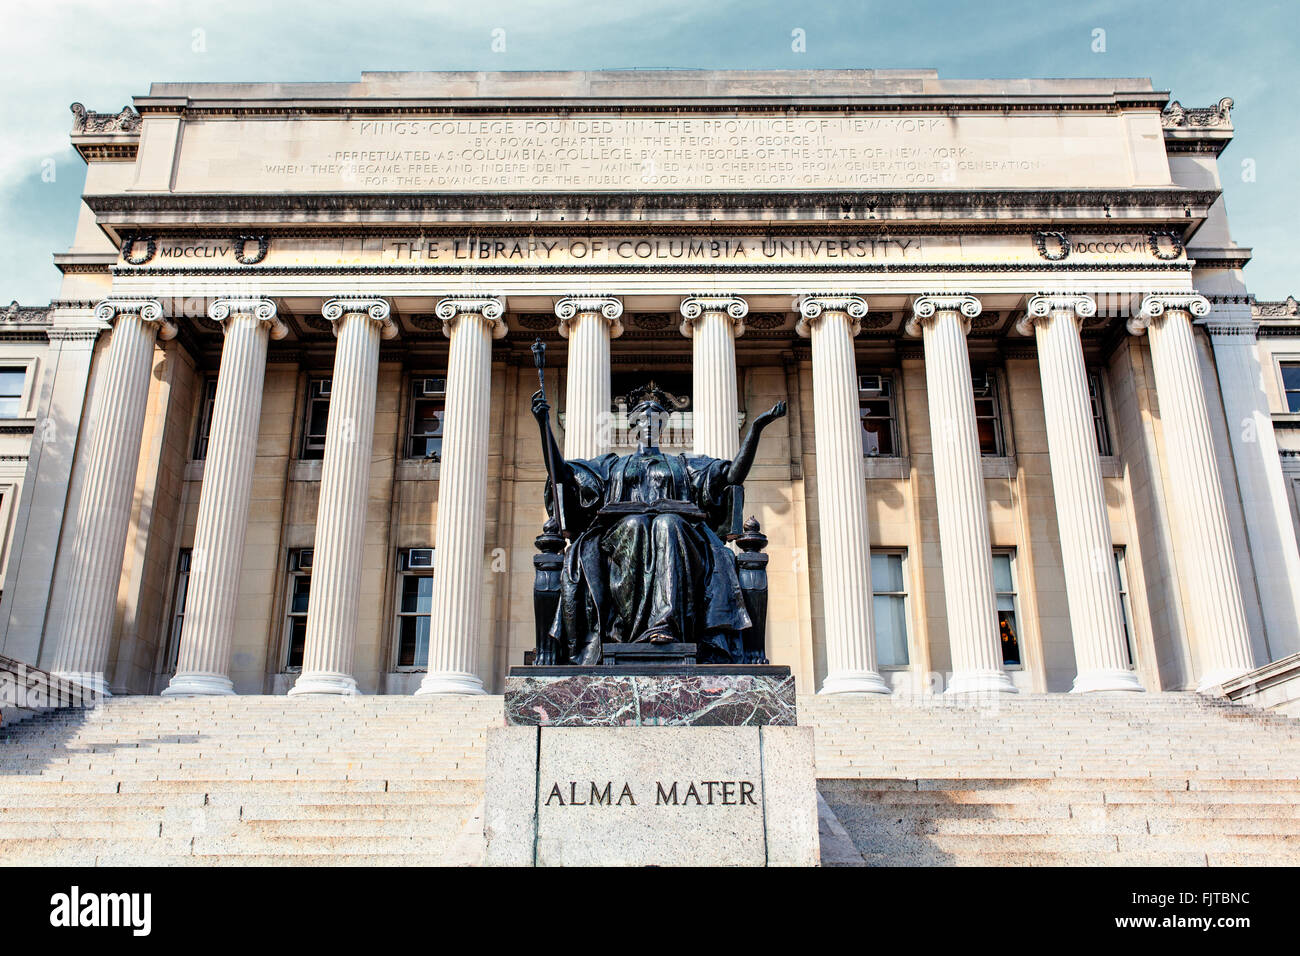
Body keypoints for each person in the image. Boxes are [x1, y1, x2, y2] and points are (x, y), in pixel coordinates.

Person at [532, 383, 786, 664]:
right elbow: (563, 475)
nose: (650, 423)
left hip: (680, 537)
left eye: (657, 419)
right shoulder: (612, 466)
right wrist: (544, 424)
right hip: (621, 535)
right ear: (632, 425)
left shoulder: (684, 466)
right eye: (643, 418)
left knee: (667, 524)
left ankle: (663, 626)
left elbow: (732, 476)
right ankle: (625, 630)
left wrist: (757, 429)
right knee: (635, 525)